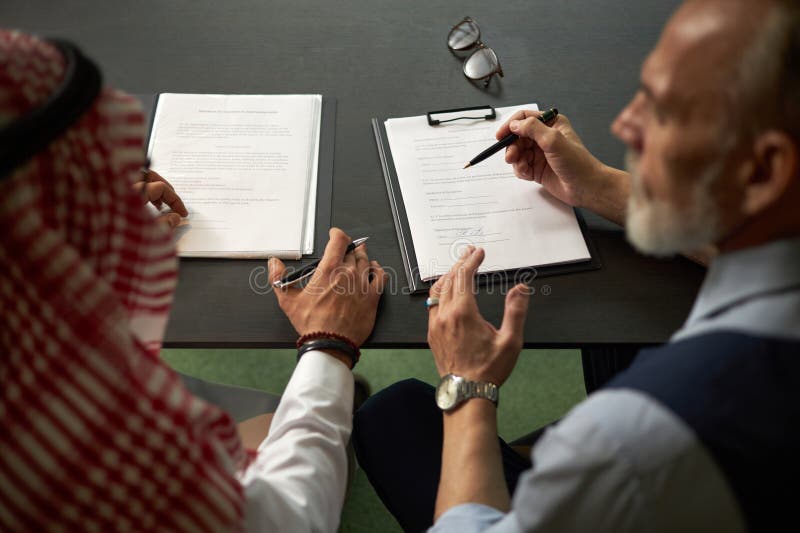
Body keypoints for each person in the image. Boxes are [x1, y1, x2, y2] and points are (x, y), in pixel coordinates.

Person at [352, 0, 800, 531]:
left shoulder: (626, 437)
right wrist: (601, 188)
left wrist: (467, 383)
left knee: (390, 417)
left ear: (767, 168)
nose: (626, 123)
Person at [0, 30, 387, 531]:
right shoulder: (73, 436)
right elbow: (291, 518)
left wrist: (75, 236)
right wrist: (328, 346)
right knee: (312, 428)